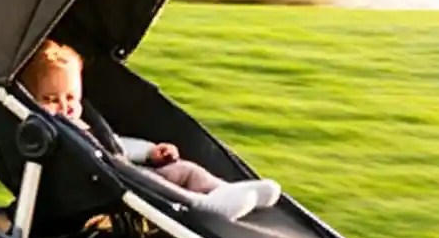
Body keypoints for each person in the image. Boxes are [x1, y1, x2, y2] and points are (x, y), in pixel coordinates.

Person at [18, 40, 282, 219]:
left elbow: (116, 144)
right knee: (153, 180)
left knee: (184, 170)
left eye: (71, 97)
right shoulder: (49, 134)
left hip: (126, 173)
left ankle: (224, 190)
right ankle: (201, 204)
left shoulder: (83, 122)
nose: (64, 106)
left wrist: (150, 152)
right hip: (104, 190)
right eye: (50, 99)